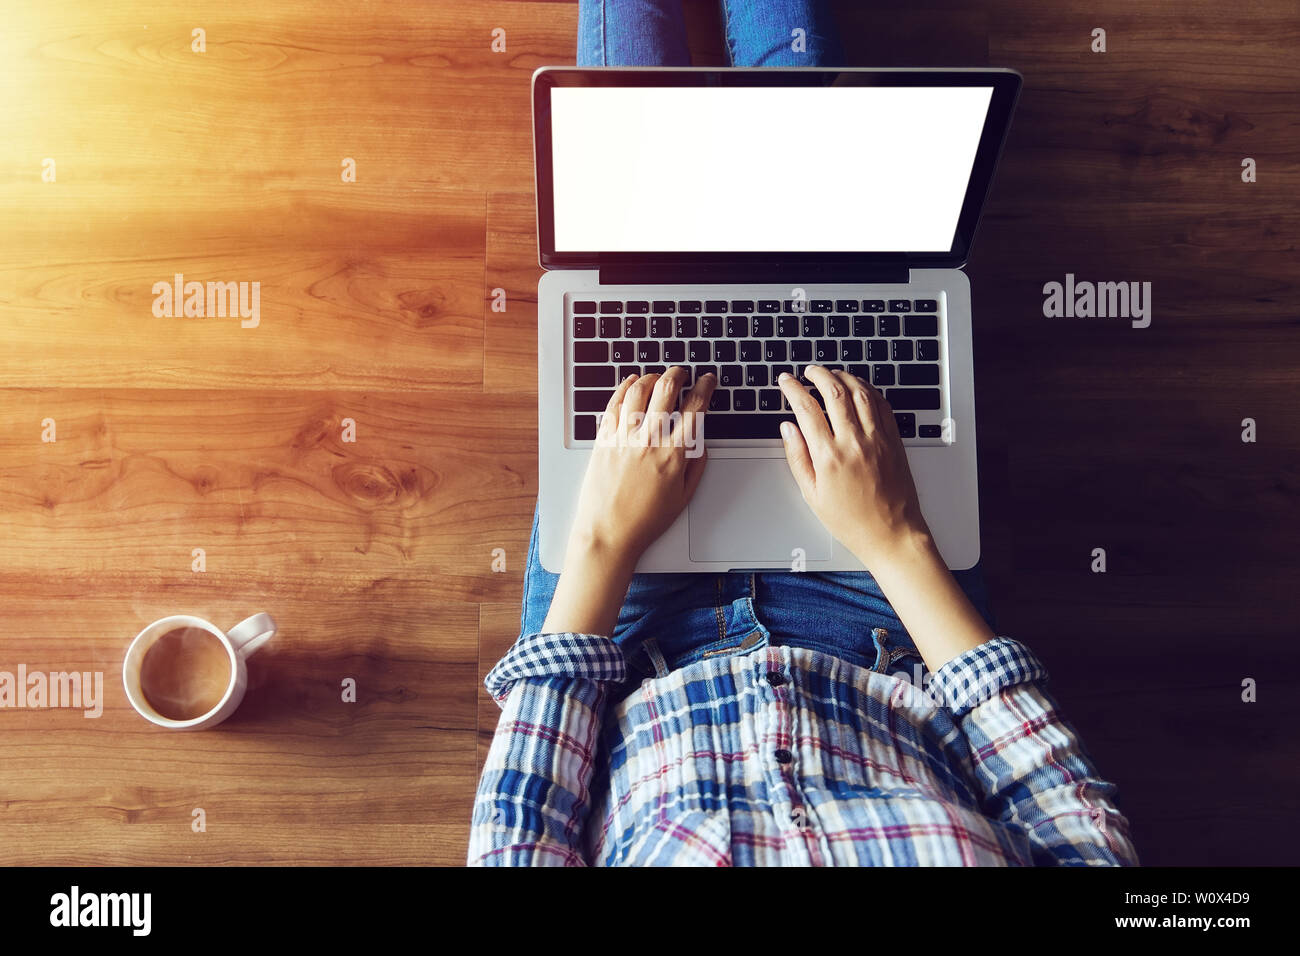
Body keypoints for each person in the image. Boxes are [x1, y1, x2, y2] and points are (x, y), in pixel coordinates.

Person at [468, 0, 1137, 866]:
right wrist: (893, 539)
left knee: (641, 214)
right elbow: (1073, 819)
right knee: (825, 228)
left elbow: (522, 831)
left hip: (627, 646)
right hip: (889, 620)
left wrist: (600, 540)